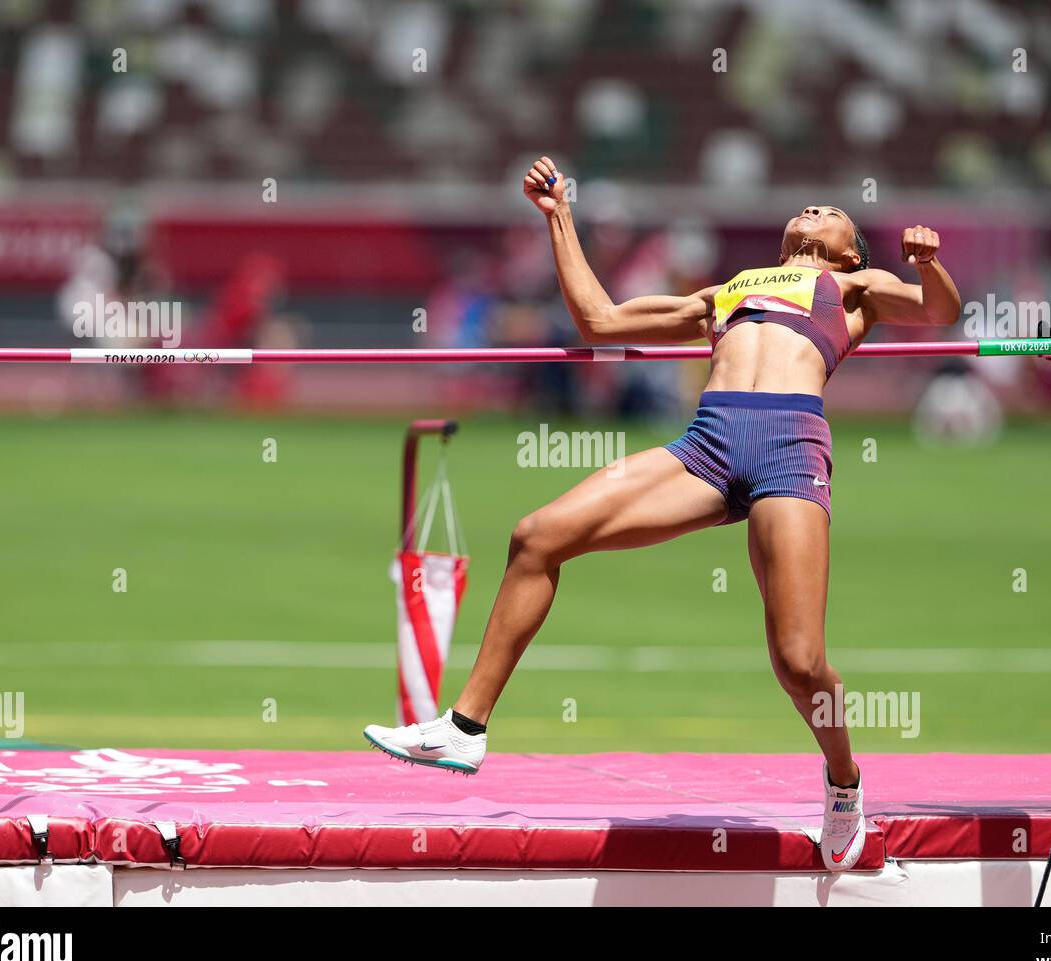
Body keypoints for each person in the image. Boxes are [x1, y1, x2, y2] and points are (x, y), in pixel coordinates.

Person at [365, 156, 962, 870]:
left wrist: (930, 266)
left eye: (831, 209)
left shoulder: (855, 285)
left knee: (799, 661)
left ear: (849, 248)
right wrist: (560, 217)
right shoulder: (729, 290)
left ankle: (843, 782)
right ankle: (465, 727)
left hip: (789, 447)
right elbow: (600, 320)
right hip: (707, 443)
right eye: (805, 204)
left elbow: (940, 312)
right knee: (538, 536)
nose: (813, 207)